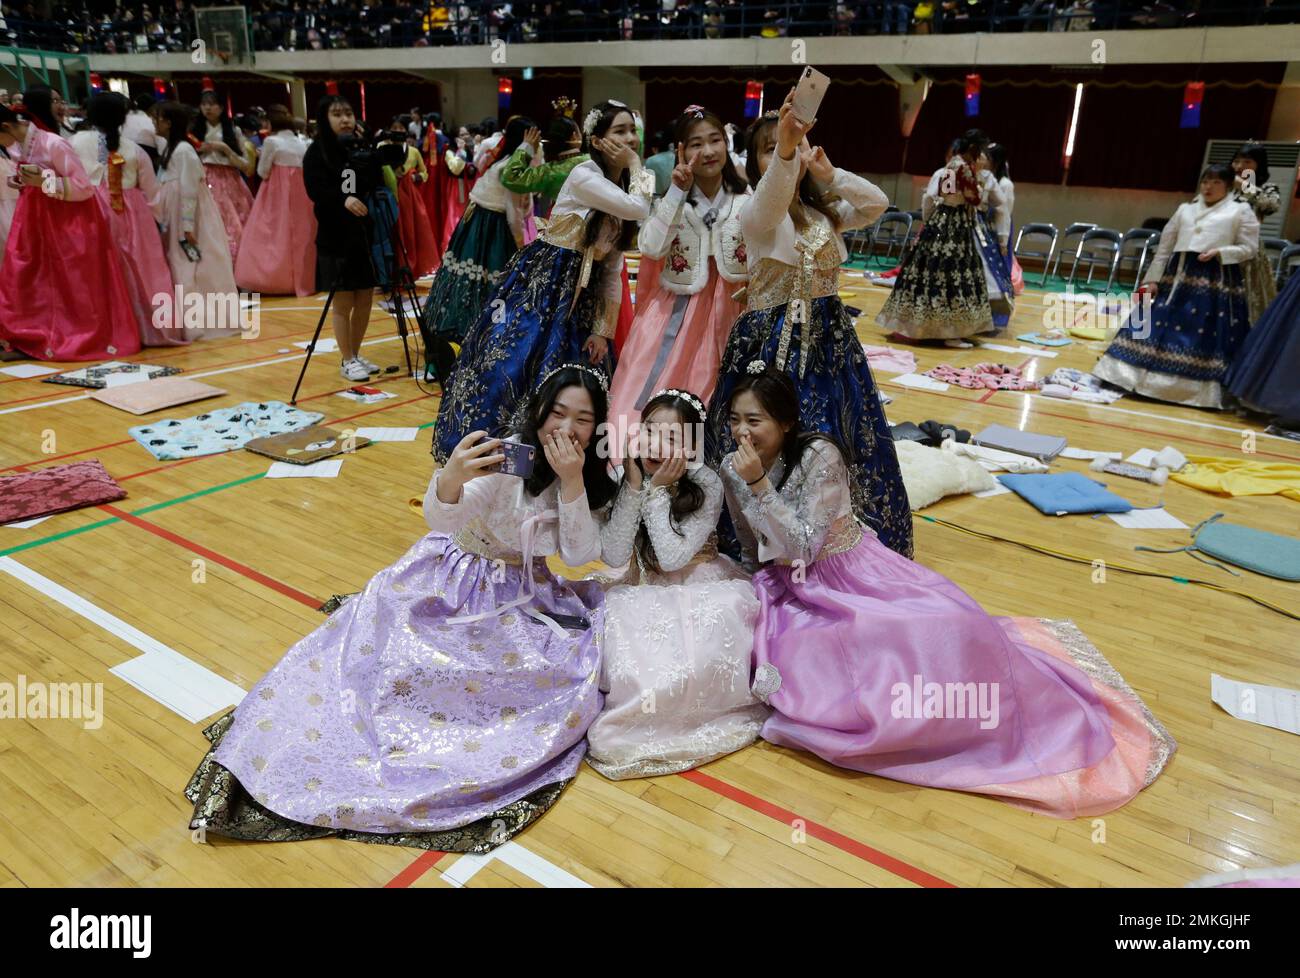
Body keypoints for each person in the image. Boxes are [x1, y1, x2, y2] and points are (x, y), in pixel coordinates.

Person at [186, 365, 619, 854]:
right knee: (417, 668)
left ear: (597, 426)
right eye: (557, 412)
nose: (566, 427)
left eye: (582, 419)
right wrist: (452, 477)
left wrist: (571, 483)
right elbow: (442, 517)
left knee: (561, 671)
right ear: (539, 410)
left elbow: (581, 555)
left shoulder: (589, 474)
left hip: (527, 592)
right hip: (457, 580)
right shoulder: (506, 456)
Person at [721, 366, 1176, 817]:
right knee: (831, 660)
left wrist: (759, 483)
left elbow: (804, 545)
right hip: (792, 586)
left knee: (942, 628)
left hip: (849, 573)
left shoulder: (820, 456)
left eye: (754, 421)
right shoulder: (732, 465)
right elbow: (748, 538)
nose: (742, 432)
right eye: (735, 419)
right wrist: (752, 584)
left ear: (786, 422)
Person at [704, 91, 913, 559]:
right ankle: (771, 536)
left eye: (799, 143)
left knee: (837, 435)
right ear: (759, 162)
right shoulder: (751, 211)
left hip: (829, 339)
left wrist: (829, 174)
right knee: (771, 433)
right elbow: (772, 202)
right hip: (771, 341)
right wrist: (784, 147)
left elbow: (877, 203)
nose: (789, 150)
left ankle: (834, 536)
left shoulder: (824, 214)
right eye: (771, 148)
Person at [433, 100, 653, 461]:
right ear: (596, 141)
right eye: (620, 131)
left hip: (579, 297)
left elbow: (612, 267)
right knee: (514, 366)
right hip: (543, 284)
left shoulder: (623, 186)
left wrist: (603, 328)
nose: (630, 138)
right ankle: (499, 456)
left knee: (571, 374)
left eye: (632, 130)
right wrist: (634, 162)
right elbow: (640, 208)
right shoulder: (585, 174)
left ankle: (555, 463)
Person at [588, 388, 769, 779]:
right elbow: (616, 555)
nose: (656, 444)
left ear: (691, 447)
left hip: (695, 583)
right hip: (639, 581)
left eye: (672, 438)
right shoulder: (625, 470)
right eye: (650, 430)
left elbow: (672, 560)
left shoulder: (705, 482)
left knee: (681, 662)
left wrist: (655, 492)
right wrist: (634, 486)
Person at [608, 104, 749, 451]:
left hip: (734, 306)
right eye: (696, 144)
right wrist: (675, 190)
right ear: (681, 150)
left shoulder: (746, 196)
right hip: (678, 309)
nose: (709, 151)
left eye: (715, 140)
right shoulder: (669, 190)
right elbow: (650, 246)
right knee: (655, 381)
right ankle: (642, 455)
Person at [1093, 164, 1259, 409]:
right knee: (1149, 323)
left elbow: (1249, 248)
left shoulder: (1240, 211)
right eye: (1205, 181)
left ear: (1227, 186)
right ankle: (1128, 377)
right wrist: (1151, 279)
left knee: (1203, 332)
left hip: (1215, 281)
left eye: (1216, 183)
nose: (1209, 187)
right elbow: (1165, 247)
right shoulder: (1186, 210)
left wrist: (1221, 252)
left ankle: (1195, 391)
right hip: (1177, 276)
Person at [0, 101, 141, 361]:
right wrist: (21, 181)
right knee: (25, 276)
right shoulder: (20, 145)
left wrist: (42, 181)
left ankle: (67, 337)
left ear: (6, 126)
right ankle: (27, 334)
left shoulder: (54, 144)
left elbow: (83, 187)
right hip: (35, 218)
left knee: (72, 283)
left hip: (67, 220)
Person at [71, 92, 184, 346]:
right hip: (132, 213)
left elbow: (69, 179)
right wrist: (159, 220)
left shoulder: (75, 142)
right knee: (142, 270)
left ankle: (108, 330)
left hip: (91, 210)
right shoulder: (134, 149)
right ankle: (149, 327)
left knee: (99, 273)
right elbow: (152, 193)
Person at [419, 116, 535, 358]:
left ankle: (465, 341)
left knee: (473, 283)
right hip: (492, 228)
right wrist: (522, 246)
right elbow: (514, 216)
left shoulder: (502, 160)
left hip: (475, 223)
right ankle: (487, 342)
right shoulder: (513, 167)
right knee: (495, 283)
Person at [876, 129, 993, 343]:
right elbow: (974, 199)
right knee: (953, 273)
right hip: (956, 224)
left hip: (942, 218)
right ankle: (950, 332)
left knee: (931, 271)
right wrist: (980, 184)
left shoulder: (950, 166)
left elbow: (942, 194)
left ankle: (922, 326)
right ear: (974, 150)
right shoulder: (965, 169)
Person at [302, 95, 387, 382]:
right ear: (324, 120)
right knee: (342, 302)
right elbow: (316, 190)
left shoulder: (357, 150)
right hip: (334, 235)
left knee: (364, 298)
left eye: (349, 113)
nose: (345, 119)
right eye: (337, 114)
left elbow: (372, 182)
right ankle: (347, 358)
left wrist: (369, 152)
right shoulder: (317, 152)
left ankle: (355, 352)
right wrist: (343, 199)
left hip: (361, 233)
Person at [150, 101, 242, 336]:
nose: (154, 123)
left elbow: (190, 191)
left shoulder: (183, 151)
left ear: (169, 123)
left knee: (197, 266)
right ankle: (190, 321)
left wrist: (187, 226)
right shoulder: (172, 149)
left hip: (190, 217)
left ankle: (204, 323)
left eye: (157, 119)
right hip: (176, 214)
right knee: (184, 266)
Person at [235, 104, 317, 297]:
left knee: (270, 234)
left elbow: (263, 171)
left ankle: (269, 280)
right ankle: (298, 280)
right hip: (302, 194)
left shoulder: (272, 141)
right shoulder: (302, 142)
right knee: (299, 238)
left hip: (276, 193)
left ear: (270, 122)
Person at [192, 90, 255, 262]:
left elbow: (245, 163)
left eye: (212, 104)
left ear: (221, 108)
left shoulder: (233, 131)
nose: (207, 108)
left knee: (233, 223)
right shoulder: (194, 131)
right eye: (204, 104)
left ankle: (237, 263)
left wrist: (224, 148)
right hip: (203, 176)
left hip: (228, 178)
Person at [1230, 143, 1281, 323]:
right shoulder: (1223, 187)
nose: (1240, 166)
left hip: (1247, 252)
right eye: (1236, 161)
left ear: (1258, 165)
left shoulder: (1268, 188)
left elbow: (1270, 205)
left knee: (1246, 304)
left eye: (1247, 161)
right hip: (1216, 245)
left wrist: (1244, 185)